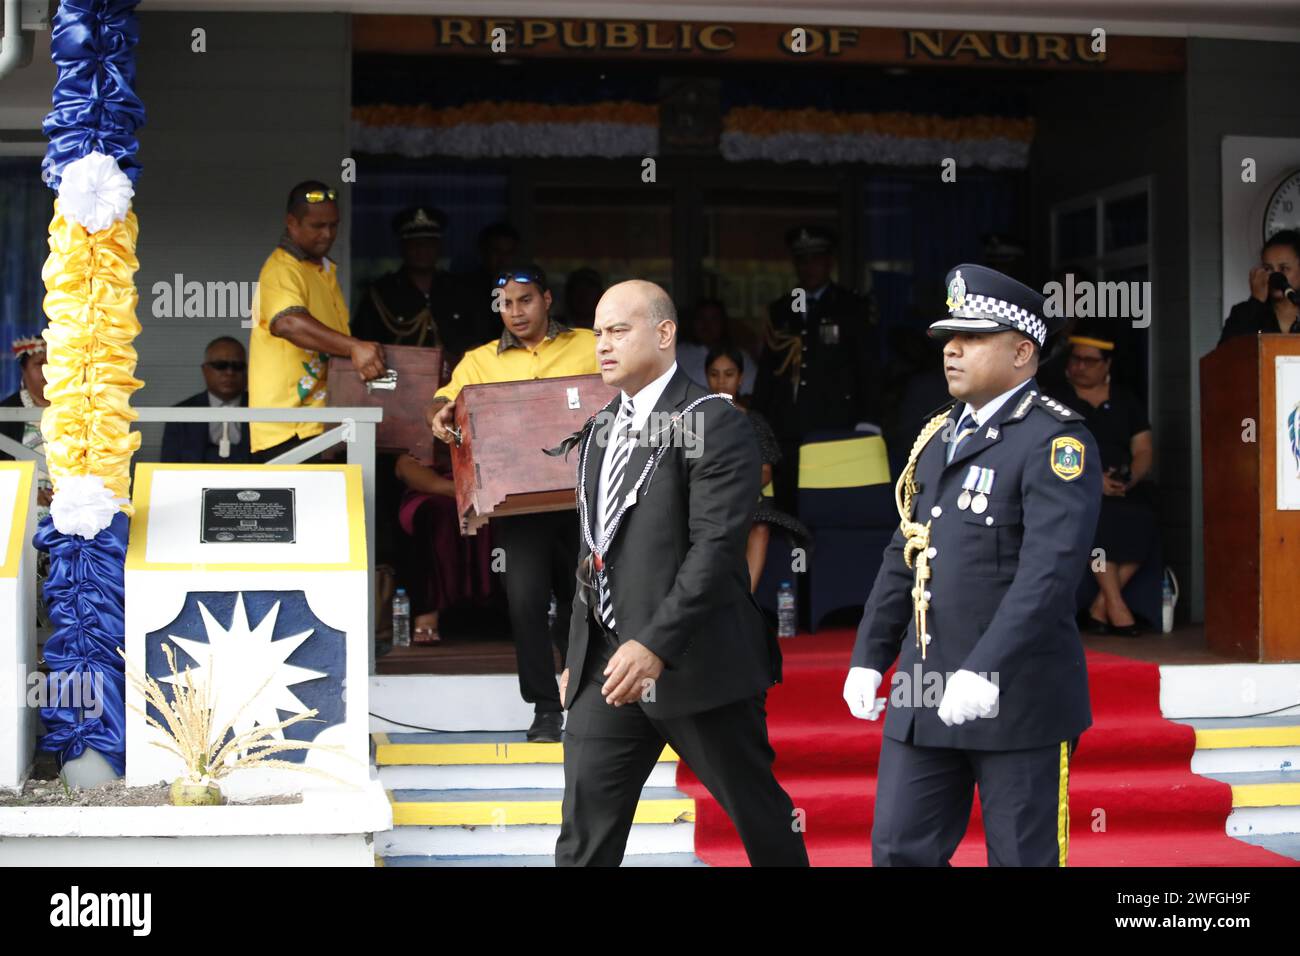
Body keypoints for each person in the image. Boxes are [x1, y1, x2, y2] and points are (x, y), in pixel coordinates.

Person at [843, 263, 1101, 867]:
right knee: (899, 851)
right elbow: (903, 554)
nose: (952, 349)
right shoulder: (937, 437)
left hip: (1017, 691)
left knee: (1020, 857)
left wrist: (985, 668)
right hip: (923, 685)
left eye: (973, 336)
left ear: (1022, 351)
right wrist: (868, 657)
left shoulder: (1055, 442)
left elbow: (1050, 572)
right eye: (947, 338)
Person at [554, 279, 809, 867]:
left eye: (619, 329)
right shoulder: (599, 430)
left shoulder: (713, 421)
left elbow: (717, 548)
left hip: (697, 660)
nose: (603, 345)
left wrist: (656, 644)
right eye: (598, 333)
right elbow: (592, 552)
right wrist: (574, 650)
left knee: (761, 819)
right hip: (607, 664)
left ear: (665, 334)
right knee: (584, 836)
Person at [427, 263, 596, 742]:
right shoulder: (480, 359)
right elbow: (441, 402)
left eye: (525, 300)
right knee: (524, 604)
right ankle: (546, 708)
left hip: (584, 499)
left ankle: (585, 699)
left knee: (584, 600)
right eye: (505, 303)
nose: (515, 311)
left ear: (547, 300)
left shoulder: (588, 343)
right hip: (520, 505)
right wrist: (436, 415)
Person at [248, 180, 386, 462]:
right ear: (292, 222)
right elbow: (287, 323)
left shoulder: (323, 270)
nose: (327, 234)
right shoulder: (282, 267)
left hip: (325, 424)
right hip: (289, 430)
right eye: (317, 226)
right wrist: (354, 347)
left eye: (333, 225)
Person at [752, 225, 880, 514]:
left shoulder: (852, 306)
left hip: (836, 422)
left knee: (832, 504)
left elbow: (868, 367)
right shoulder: (780, 310)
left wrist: (869, 418)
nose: (808, 267)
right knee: (787, 505)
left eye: (815, 259)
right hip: (787, 426)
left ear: (829, 262)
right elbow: (768, 374)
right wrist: (758, 424)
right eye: (802, 260)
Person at [1059, 325, 1156, 636]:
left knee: (1144, 516)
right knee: (1098, 518)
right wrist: (1091, 480)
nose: (1080, 366)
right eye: (1075, 359)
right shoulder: (1057, 400)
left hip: (1120, 485)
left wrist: (1130, 479)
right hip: (1075, 485)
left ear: (1107, 364)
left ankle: (1100, 607)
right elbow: (1052, 452)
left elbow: (1143, 450)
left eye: (1089, 361)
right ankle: (1116, 606)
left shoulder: (1126, 400)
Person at [705, 344, 809, 592]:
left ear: (740, 379)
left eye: (729, 375)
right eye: (714, 374)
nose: (721, 382)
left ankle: (744, 603)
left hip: (747, 500)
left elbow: (764, 472)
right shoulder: (693, 419)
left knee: (760, 526)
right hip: (704, 501)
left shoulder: (753, 422)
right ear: (706, 377)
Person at [351, 205, 481, 361]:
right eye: (415, 244)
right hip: (399, 379)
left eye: (429, 244)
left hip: (456, 378)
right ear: (402, 248)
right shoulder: (381, 292)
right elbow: (363, 343)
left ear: (439, 247)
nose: (422, 250)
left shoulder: (460, 290)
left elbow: (479, 340)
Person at [392, 451, 496, 644]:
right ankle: (428, 610)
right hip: (433, 486)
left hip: (487, 479)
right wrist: (461, 491)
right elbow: (405, 463)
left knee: (501, 510)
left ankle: (506, 609)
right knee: (437, 514)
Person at [160, 337, 252, 464]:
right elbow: (167, 468)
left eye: (237, 366)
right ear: (205, 370)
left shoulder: (262, 411)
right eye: (221, 365)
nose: (229, 372)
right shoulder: (180, 415)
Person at [0, 336, 53, 516]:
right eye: (40, 364)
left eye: (54, 363)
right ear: (23, 369)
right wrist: (27, 493)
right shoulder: (5, 414)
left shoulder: (79, 411)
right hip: (17, 514)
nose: (48, 370)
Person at [1219, 229, 1300, 343]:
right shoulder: (1243, 312)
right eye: (1268, 269)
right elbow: (1227, 352)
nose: (1275, 276)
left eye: (1284, 268)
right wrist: (1256, 301)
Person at [678, 299, 757, 397]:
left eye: (714, 319)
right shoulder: (676, 355)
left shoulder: (741, 357)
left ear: (723, 323)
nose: (707, 325)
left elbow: (751, 396)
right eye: (701, 318)